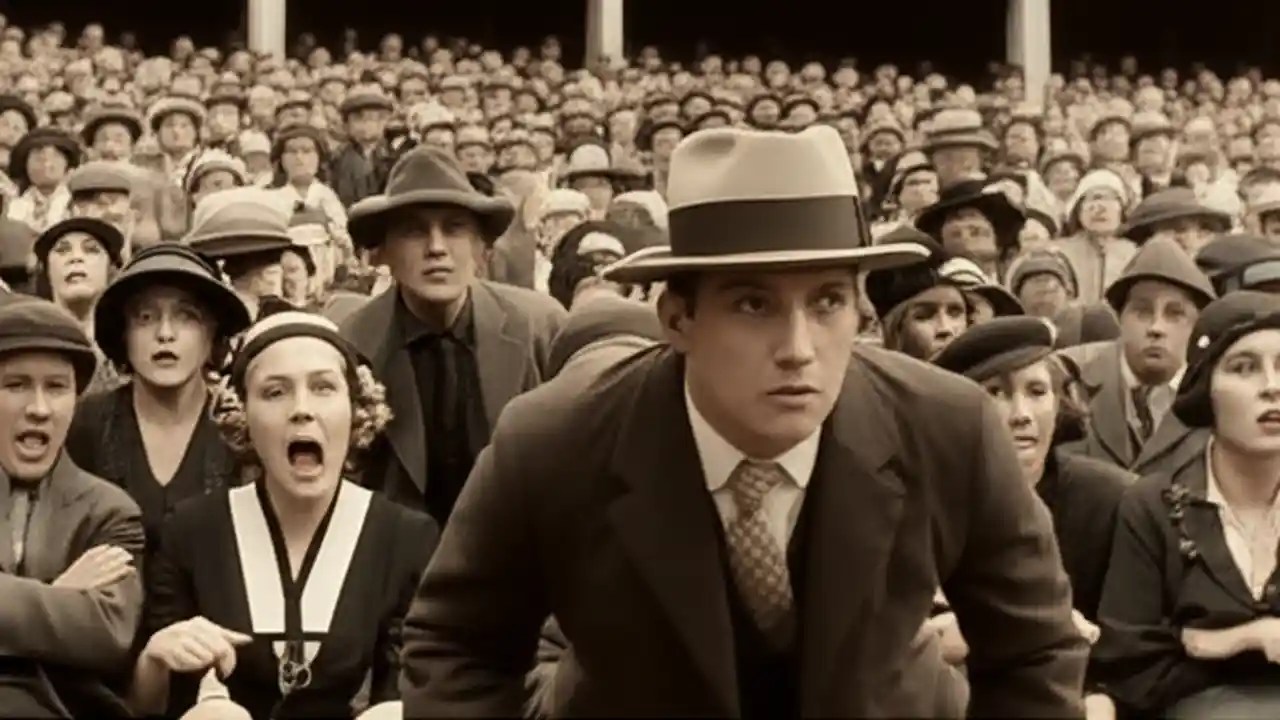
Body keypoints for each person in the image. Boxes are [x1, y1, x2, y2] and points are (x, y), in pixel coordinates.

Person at [399, 126, 1087, 717]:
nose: (798, 347)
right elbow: (457, 648)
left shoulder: (950, 426)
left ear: (862, 311)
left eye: (827, 302)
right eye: (754, 305)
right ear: (678, 318)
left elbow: (1036, 649)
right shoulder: (555, 442)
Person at [128, 312, 438, 719]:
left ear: (357, 408)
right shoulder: (193, 530)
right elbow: (143, 707)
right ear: (243, 417)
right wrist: (155, 660)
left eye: (324, 388)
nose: (302, 410)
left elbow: (414, 689)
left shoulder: (406, 537)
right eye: (275, 393)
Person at [341, 146, 566, 524]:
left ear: (483, 250)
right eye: (414, 231)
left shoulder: (539, 328)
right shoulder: (351, 345)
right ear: (383, 254)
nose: (436, 248)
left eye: (454, 228)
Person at [933, 316, 1134, 720]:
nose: (1020, 414)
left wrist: (1102, 701)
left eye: (1037, 391)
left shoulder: (1112, 501)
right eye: (995, 393)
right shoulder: (926, 505)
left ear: (1060, 404)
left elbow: (1129, 649)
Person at [1094, 291, 1280, 717]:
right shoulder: (1154, 506)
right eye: (1244, 368)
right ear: (1206, 389)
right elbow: (1129, 667)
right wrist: (1250, 640)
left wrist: (1217, 643)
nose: (1272, 387)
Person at [0, 297, 144, 718]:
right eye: (16, 385)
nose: (39, 409)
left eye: (56, 387)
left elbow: (108, 634)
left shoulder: (110, 512)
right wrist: (59, 596)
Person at [66, 244, 251, 561]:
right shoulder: (84, 423)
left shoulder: (240, 430)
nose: (165, 334)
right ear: (124, 335)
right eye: (146, 317)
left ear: (212, 338)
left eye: (187, 316)